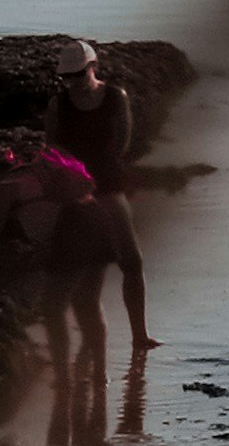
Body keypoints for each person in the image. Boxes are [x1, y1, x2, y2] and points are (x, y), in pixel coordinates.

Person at [0, 142, 121, 427]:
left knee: (52, 307)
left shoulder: (7, 186)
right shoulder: (44, 168)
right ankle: (100, 374)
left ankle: (63, 379)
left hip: (72, 231)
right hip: (97, 219)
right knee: (88, 303)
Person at [43, 39, 156, 353]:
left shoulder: (115, 98)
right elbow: (51, 148)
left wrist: (100, 173)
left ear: (92, 68)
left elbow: (123, 141)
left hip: (107, 184)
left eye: (77, 75)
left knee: (131, 260)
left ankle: (140, 335)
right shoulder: (58, 104)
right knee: (85, 271)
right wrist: (72, 177)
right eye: (66, 77)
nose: (72, 82)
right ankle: (88, 346)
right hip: (74, 190)